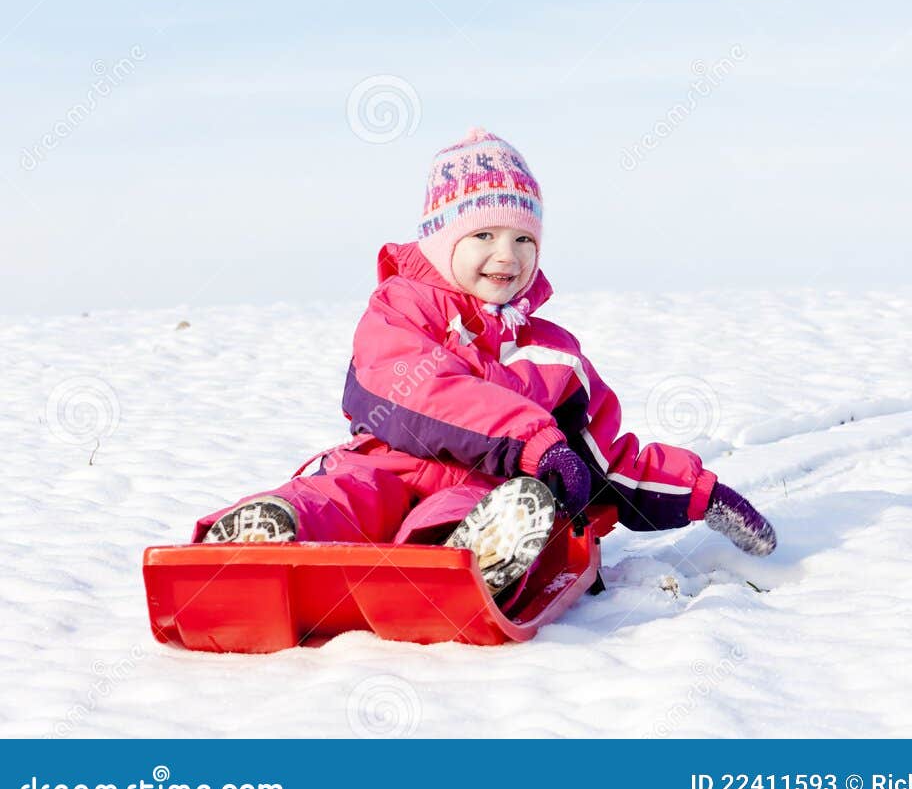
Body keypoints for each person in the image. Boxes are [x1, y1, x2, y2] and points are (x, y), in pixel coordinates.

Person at [193, 128, 776, 595]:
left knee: (487, 505)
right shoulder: (401, 308)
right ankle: (265, 536)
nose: (507, 255)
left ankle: (466, 558)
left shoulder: (555, 353)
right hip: (385, 465)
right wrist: (530, 438)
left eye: (525, 240)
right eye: (484, 235)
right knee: (348, 495)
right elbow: (414, 388)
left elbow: (606, 459)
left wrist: (700, 493)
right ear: (441, 241)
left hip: (483, 489)